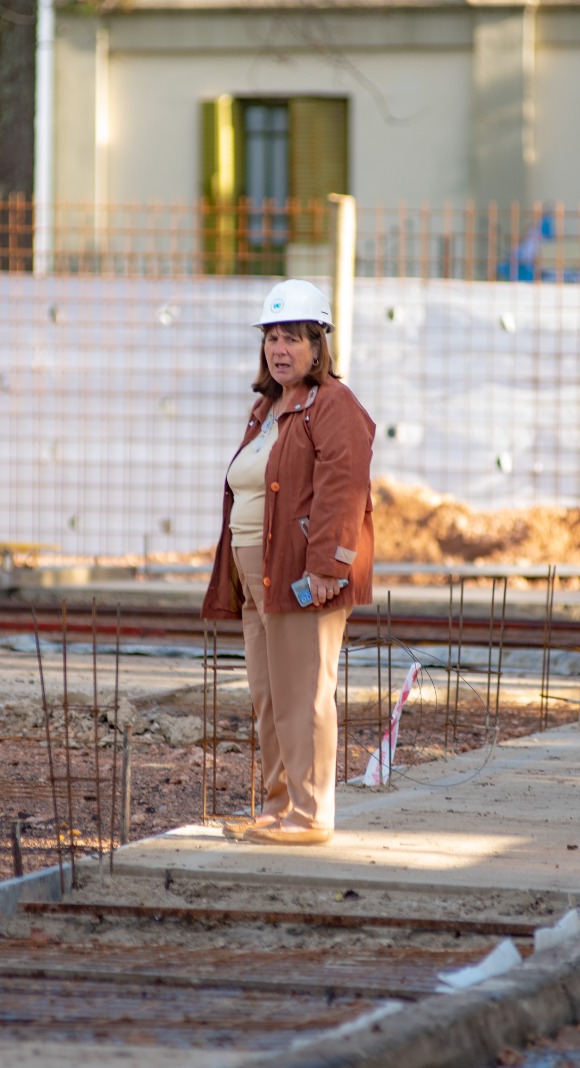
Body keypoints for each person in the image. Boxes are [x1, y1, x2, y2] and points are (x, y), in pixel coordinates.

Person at [201, 278, 375, 846]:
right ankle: (278, 808)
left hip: (303, 576)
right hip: (258, 574)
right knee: (270, 695)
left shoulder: (332, 405)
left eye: (293, 338)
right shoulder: (268, 408)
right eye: (272, 337)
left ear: (318, 345)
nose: (279, 349)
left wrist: (329, 565)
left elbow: (343, 487)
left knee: (304, 694)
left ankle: (310, 813)